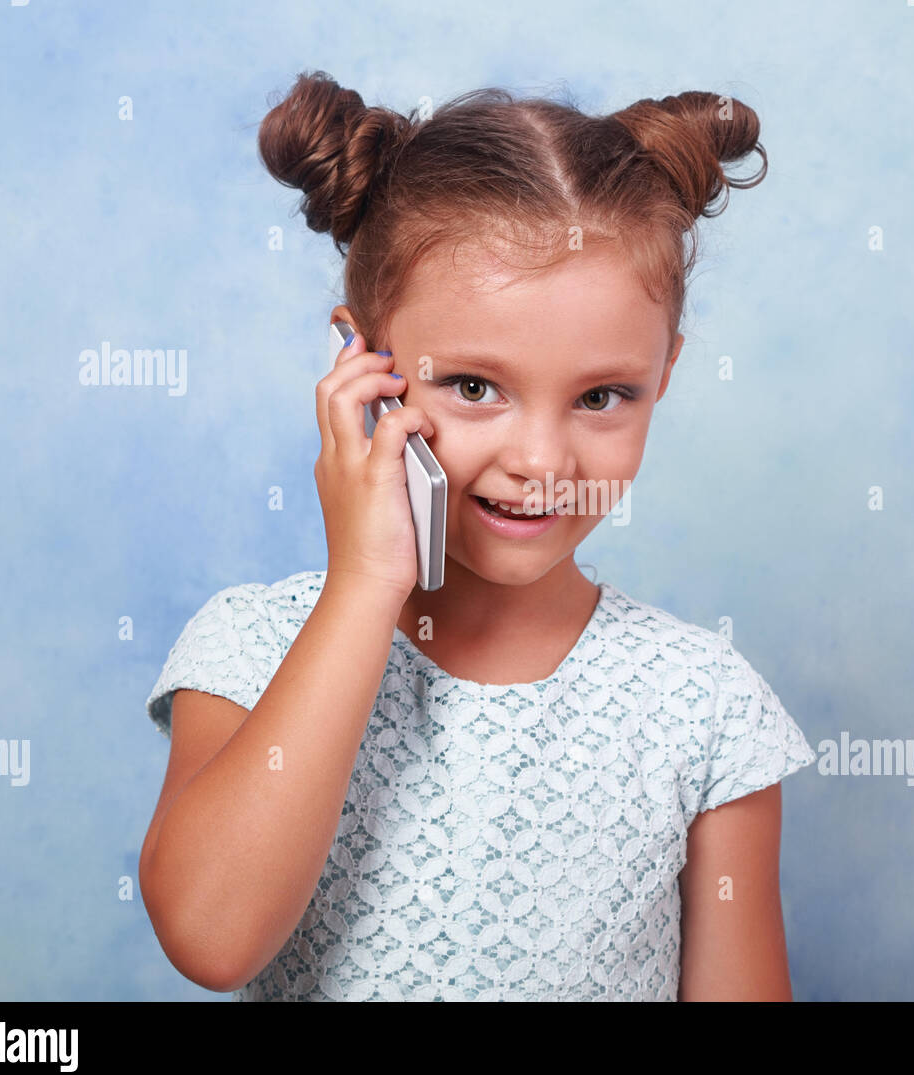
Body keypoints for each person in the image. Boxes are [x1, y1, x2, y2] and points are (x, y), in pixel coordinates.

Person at [138, 71, 816, 1001]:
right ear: (362, 366)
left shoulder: (703, 706)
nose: (541, 460)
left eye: (601, 396)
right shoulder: (248, 649)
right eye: (472, 386)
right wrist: (366, 584)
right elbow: (212, 940)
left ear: (664, 376)